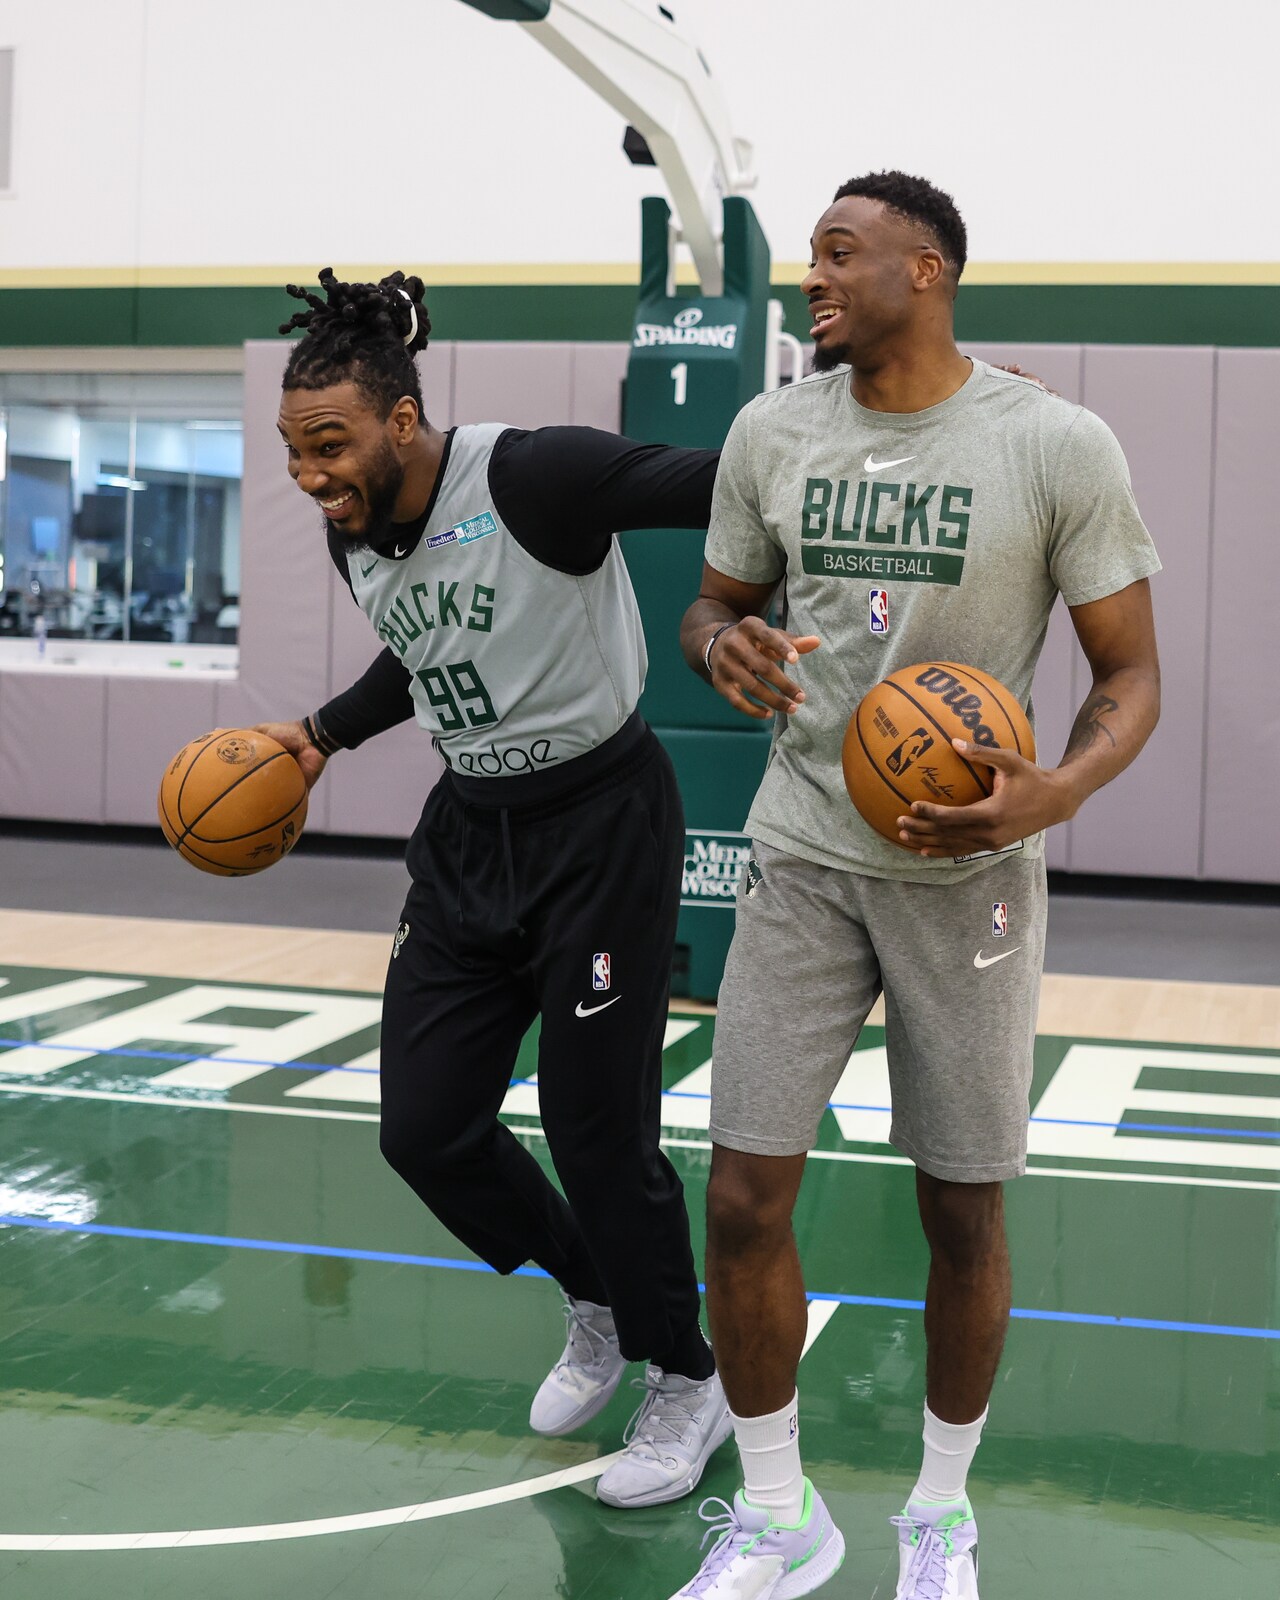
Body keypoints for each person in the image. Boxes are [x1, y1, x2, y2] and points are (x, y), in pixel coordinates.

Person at [672, 172, 1162, 1599]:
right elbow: (717, 602)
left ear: (928, 269)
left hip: (970, 878)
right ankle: (779, 1515)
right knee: (745, 1198)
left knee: (963, 1210)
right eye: (809, 258)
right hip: (805, 853)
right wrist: (720, 647)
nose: (808, 282)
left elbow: (1130, 676)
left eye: (838, 255)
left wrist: (1058, 789)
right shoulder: (771, 429)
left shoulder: (1056, 444)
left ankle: (938, 1514)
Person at [258, 268, 734, 1510]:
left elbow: (722, 476)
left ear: (400, 423)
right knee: (422, 1128)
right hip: (470, 833)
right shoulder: (350, 523)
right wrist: (321, 733)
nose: (311, 472)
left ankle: (689, 1377)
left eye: (330, 443)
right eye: (294, 449)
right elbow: (424, 646)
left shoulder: (535, 479)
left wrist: (916, 423)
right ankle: (595, 1296)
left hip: (601, 825)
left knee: (595, 1129)